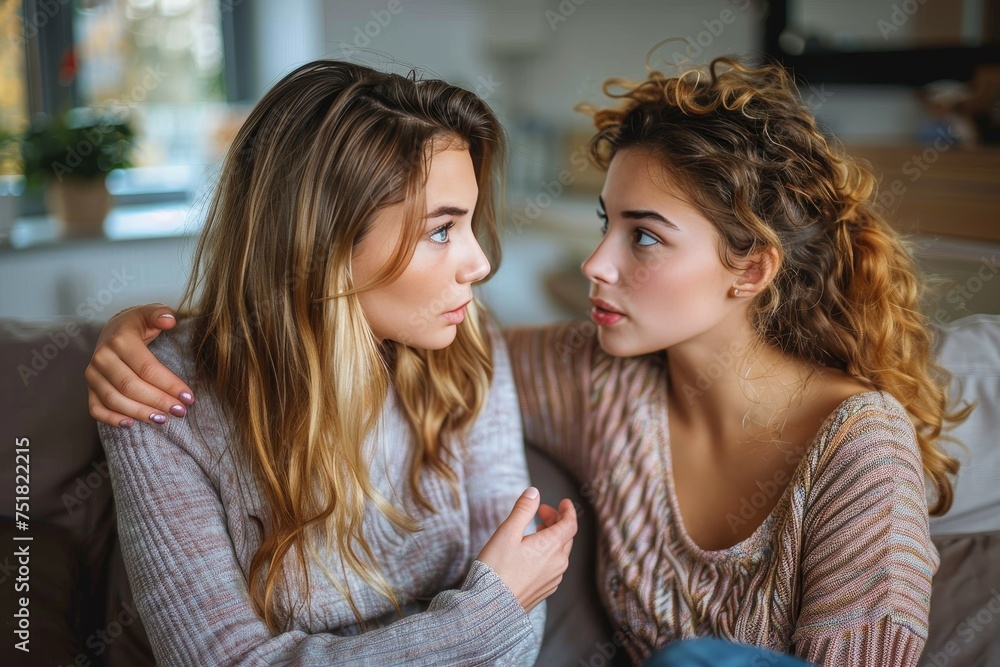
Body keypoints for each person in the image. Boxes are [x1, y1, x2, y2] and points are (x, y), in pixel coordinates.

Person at [88, 56, 970, 666]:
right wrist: (144, 334)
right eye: (606, 224)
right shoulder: (594, 378)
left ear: (752, 268)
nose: (594, 265)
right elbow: (323, 331)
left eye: (645, 237)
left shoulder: (858, 449)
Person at [87, 60, 578, 666]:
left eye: (470, 222)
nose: (480, 264)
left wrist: (495, 616)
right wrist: (487, 613)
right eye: (443, 230)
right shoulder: (155, 394)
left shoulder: (468, 351)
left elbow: (520, 644)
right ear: (324, 242)